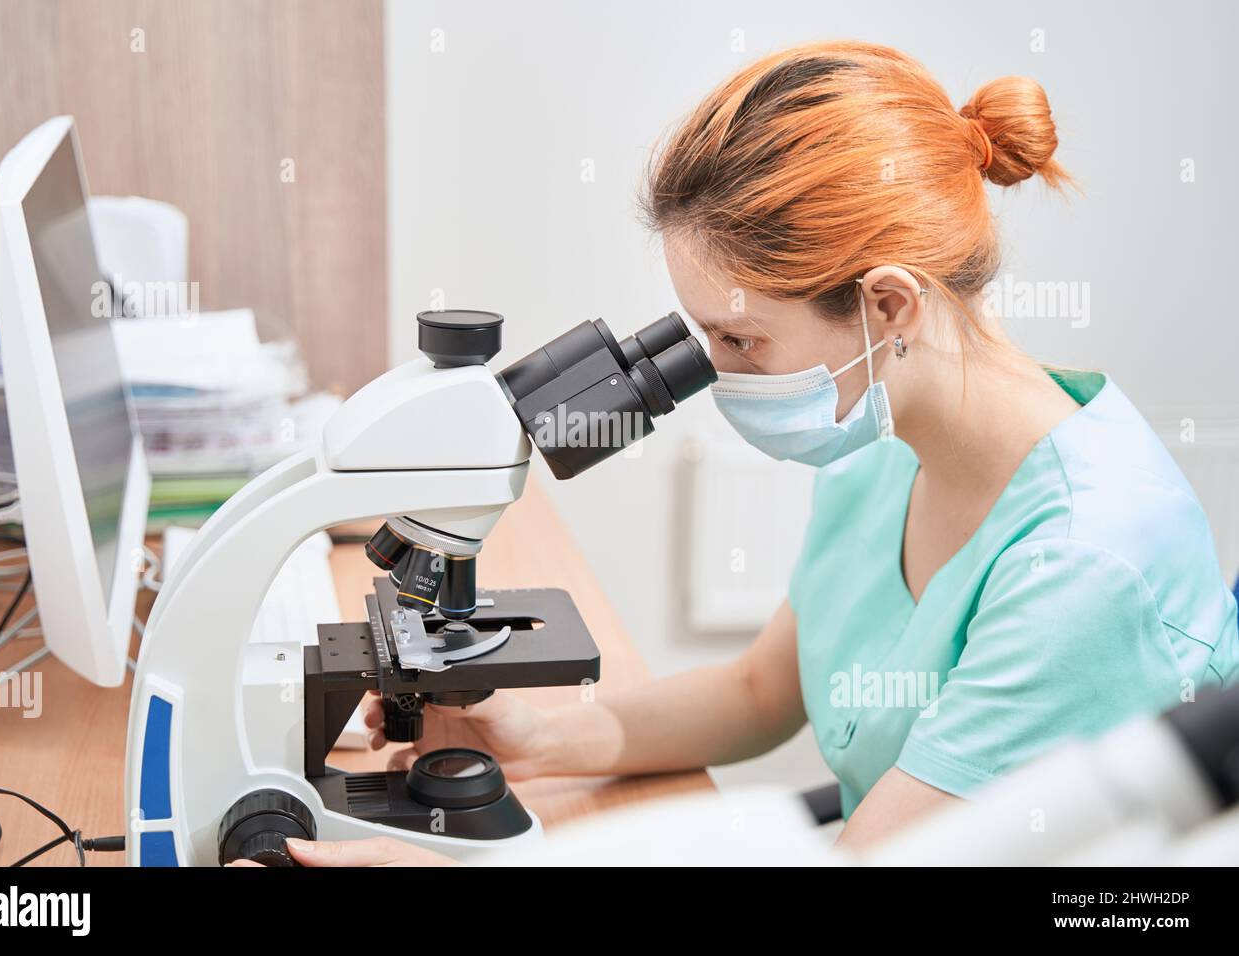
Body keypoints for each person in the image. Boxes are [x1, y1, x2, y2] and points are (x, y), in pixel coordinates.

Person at [265, 40, 1239, 866]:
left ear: (888, 306)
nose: (715, 375)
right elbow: (761, 691)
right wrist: (532, 738)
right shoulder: (885, 434)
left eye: (738, 341)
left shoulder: (1087, 563)